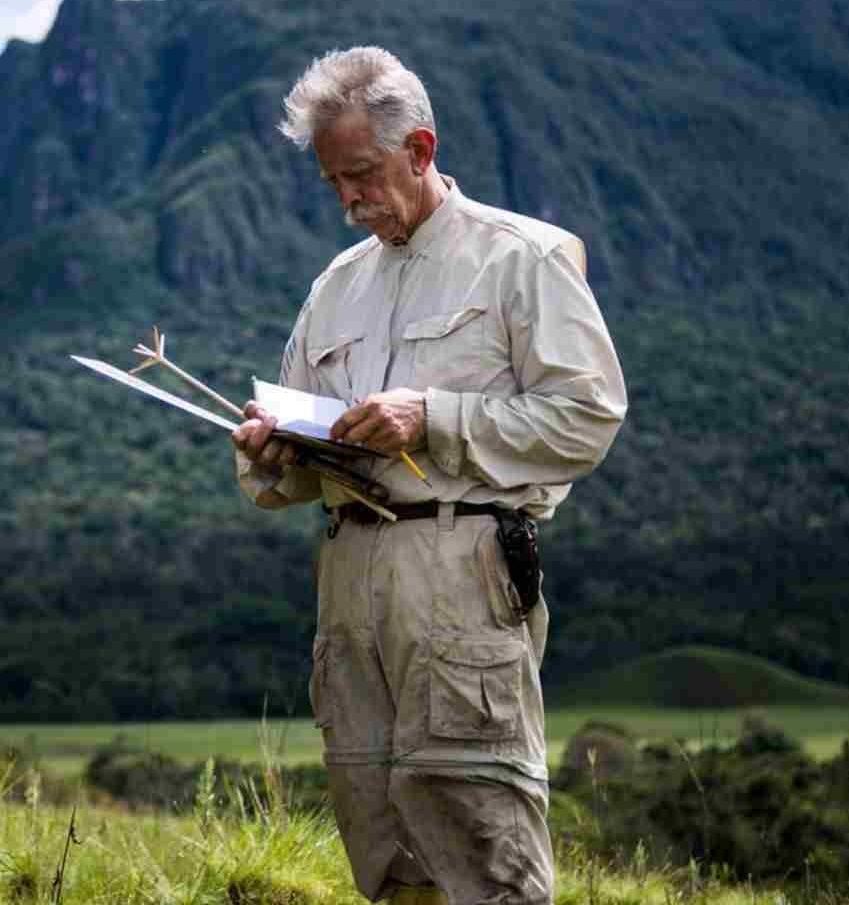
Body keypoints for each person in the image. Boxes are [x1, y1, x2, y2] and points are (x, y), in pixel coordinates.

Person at [231, 46, 627, 905]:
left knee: (481, 834)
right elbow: (294, 463)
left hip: (463, 570)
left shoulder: (524, 258)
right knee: (382, 842)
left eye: (363, 175)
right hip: (349, 578)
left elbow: (588, 418)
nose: (349, 202)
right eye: (334, 182)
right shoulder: (334, 286)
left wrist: (433, 416)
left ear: (421, 147)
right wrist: (269, 455)